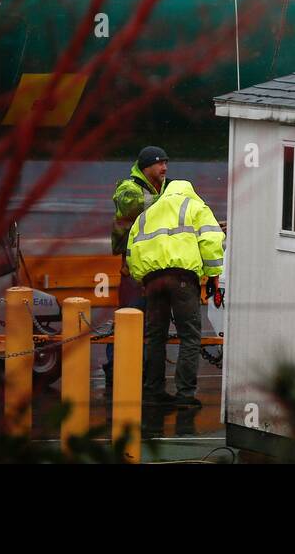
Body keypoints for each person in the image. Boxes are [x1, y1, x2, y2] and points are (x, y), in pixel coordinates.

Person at [125, 178, 225, 409]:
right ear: (190, 190)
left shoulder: (147, 215)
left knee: (155, 337)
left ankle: (153, 392)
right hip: (181, 278)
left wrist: (143, 279)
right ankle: (185, 395)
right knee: (189, 336)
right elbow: (211, 241)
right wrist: (213, 274)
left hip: (152, 281)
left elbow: (131, 251)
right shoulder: (195, 206)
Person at [104, 146, 169, 388]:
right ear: (145, 167)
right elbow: (133, 206)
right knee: (128, 317)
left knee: (151, 322)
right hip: (133, 269)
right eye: (158, 163)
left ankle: (141, 371)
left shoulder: (162, 189)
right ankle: (113, 368)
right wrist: (171, 201)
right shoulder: (129, 188)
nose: (164, 167)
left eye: (165, 162)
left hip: (154, 267)